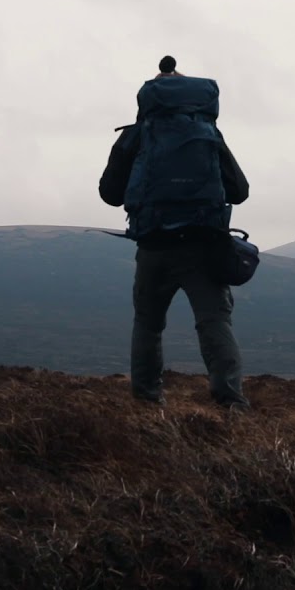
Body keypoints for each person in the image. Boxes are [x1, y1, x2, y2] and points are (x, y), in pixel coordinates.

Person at [99, 56, 251, 410]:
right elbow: (240, 190)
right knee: (214, 322)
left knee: (149, 324)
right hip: (203, 244)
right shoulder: (209, 134)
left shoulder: (138, 135)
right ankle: (231, 404)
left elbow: (109, 193)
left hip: (153, 245)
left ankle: (148, 402)